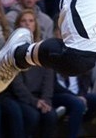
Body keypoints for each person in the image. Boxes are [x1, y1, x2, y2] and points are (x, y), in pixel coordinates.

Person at [8, 9, 60, 138]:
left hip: (40, 97)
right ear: (18, 25)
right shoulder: (12, 49)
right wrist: (33, 101)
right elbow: (16, 83)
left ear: (35, 24)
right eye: (23, 21)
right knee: (32, 116)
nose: (27, 24)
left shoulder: (42, 47)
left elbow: (48, 78)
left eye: (30, 21)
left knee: (51, 115)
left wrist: (46, 100)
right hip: (21, 98)